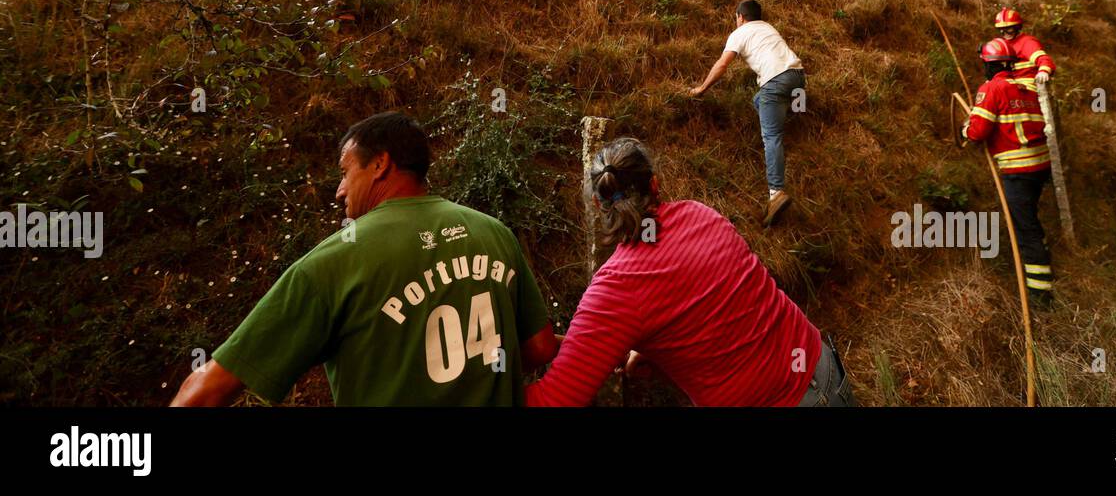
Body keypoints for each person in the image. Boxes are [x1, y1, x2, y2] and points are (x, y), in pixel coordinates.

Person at [169, 112, 557, 406]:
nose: (339, 191)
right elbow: (538, 348)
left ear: (380, 164)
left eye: (344, 172)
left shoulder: (333, 262)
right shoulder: (494, 233)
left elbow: (205, 391)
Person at [525, 137, 854, 407]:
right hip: (821, 369)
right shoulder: (701, 214)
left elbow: (553, 400)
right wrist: (652, 348)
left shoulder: (615, 290)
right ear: (654, 185)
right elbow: (718, 304)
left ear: (599, 206)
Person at [688, 0, 805, 227]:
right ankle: (783, 115)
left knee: (771, 137)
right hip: (797, 77)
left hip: (775, 81)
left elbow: (722, 65)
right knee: (759, 100)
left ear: (740, 16)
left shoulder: (739, 34)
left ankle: (776, 193)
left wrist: (702, 88)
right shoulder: (768, 28)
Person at [963, 39, 1055, 308]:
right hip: (1039, 169)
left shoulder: (992, 88)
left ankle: (1040, 296)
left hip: (1018, 171)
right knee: (1030, 219)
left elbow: (978, 131)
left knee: (1024, 230)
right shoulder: (1026, 89)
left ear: (989, 65)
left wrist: (964, 131)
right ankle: (1043, 255)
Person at [994, 7, 1057, 93]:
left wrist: (1043, 71)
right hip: (1009, 86)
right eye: (1001, 30)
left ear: (1017, 27)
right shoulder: (1002, 45)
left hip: (1027, 89)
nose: (1005, 33)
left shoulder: (1027, 42)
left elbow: (1045, 60)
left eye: (1009, 29)